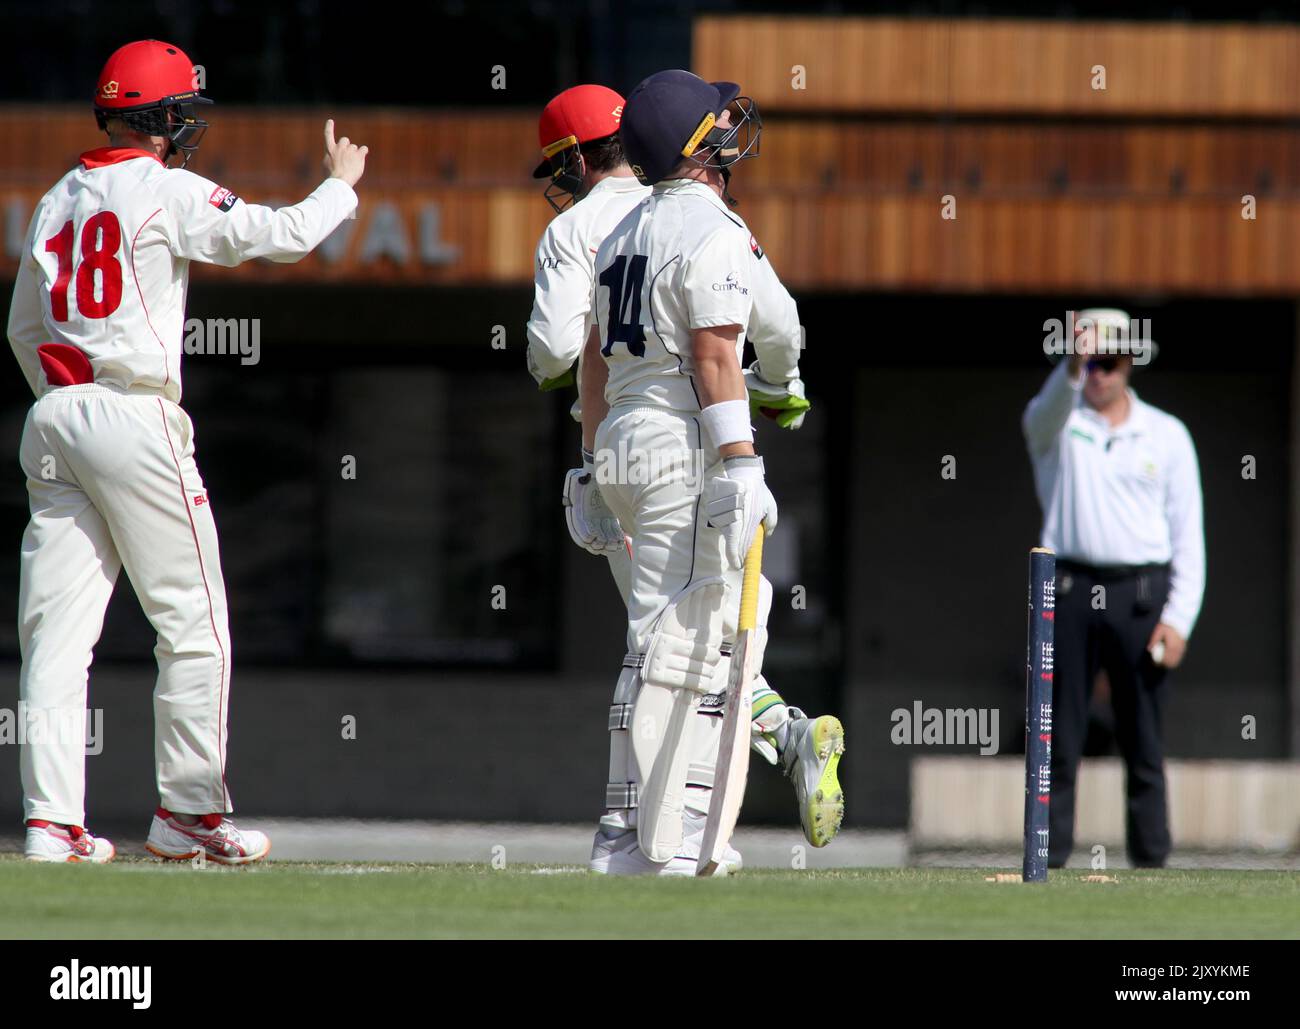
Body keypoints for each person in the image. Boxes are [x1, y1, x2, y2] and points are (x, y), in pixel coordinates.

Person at [6, 39, 367, 863]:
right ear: (166, 118)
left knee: (57, 639)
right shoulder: (163, 188)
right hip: (134, 415)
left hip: (55, 412)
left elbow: (24, 330)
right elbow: (275, 236)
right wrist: (341, 188)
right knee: (194, 622)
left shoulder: (57, 196)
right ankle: (190, 814)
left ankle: (52, 824)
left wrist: (67, 400)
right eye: (184, 112)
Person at [583, 69, 844, 876]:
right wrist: (740, 462)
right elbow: (713, 353)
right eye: (717, 121)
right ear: (696, 146)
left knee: (649, 643)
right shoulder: (716, 229)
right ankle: (684, 836)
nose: (733, 129)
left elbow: (591, 366)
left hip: (623, 437)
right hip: (678, 446)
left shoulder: (620, 230)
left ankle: (624, 833)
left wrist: (592, 471)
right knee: (701, 646)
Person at [1023, 308, 1205, 868]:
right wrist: (1069, 366)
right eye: (1090, 363)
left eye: (1109, 361)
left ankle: (1152, 860)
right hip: (1069, 588)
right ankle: (1046, 859)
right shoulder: (1058, 423)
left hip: (1141, 596)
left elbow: (1188, 536)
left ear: (1129, 363)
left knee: (1144, 740)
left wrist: (1179, 620)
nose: (1099, 373)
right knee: (1057, 734)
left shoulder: (1168, 434)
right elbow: (1043, 414)